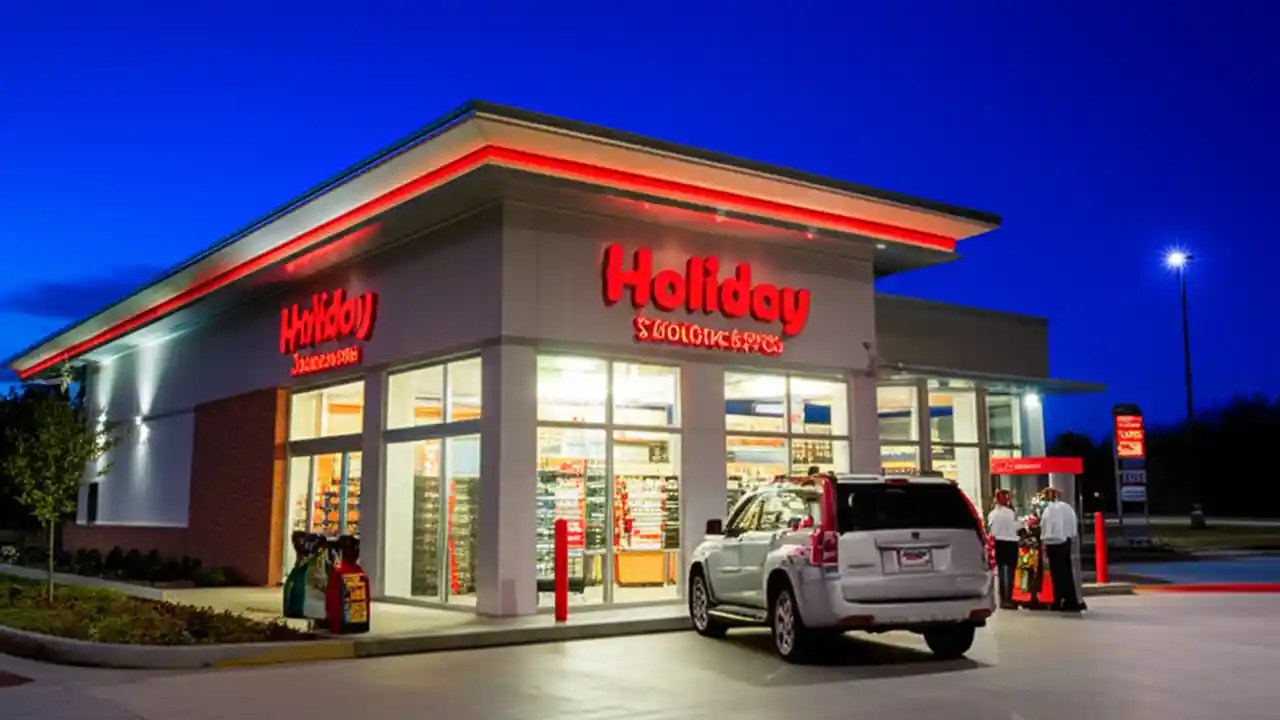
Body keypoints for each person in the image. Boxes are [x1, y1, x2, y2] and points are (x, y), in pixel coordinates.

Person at [1039, 487, 1083, 612]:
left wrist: (1044, 540)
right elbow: (1073, 523)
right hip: (1066, 541)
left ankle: (1058, 600)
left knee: (1056, 574)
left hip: (1054, 543)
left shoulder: (1049, 509)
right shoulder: (1067, 507)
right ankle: (1070, 600)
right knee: (1066, 571)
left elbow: (1048, 527)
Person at [987, 490, 1019, 609]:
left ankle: (1003, 599)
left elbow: (992, 531)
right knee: (1010, 571)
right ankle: (1009, 597)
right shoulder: (1011, 513)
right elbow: (1018, 526)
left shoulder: (993, 514)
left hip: (999, 542)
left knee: (1001, 571)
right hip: (1011, 542)